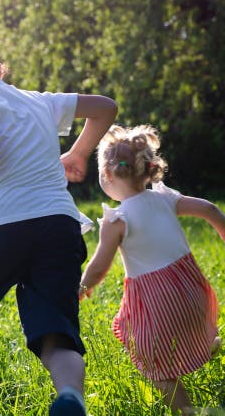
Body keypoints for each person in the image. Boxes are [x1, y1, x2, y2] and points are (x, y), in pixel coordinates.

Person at [0, 18, 117, 416]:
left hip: (1, 228)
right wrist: (79, 153)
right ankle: (70, 396)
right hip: (58, 226)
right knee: (57, 334)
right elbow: (105, 108)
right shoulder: (38, 100)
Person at [79, 124, 224, 414]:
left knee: (152, 358)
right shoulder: (165, 199)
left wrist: (83, 287)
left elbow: (99, 267)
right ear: (148, 170)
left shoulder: (116, 220)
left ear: (107, 175)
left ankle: (186, 410)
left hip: (157, 302)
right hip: (192, 292)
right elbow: (209, 209)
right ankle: (208, 345)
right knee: (191, 326)